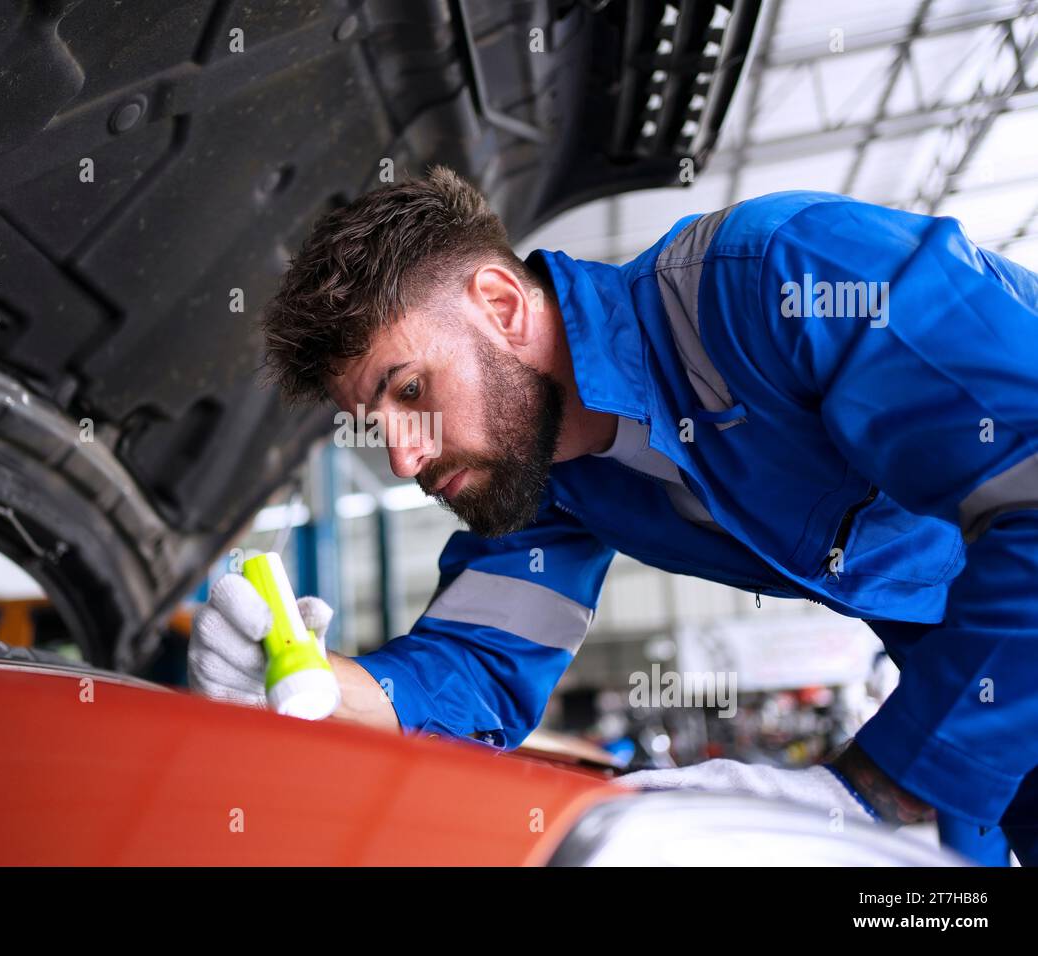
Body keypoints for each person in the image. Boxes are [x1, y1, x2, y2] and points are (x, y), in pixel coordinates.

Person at [189, 166, 1038, 862]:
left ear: (501, 304)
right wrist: (301, 678)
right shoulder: (554, 475)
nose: (405, 458)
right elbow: (475, 669)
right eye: (378, 427)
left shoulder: (780, 277)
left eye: (411, 390)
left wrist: (870, 793)